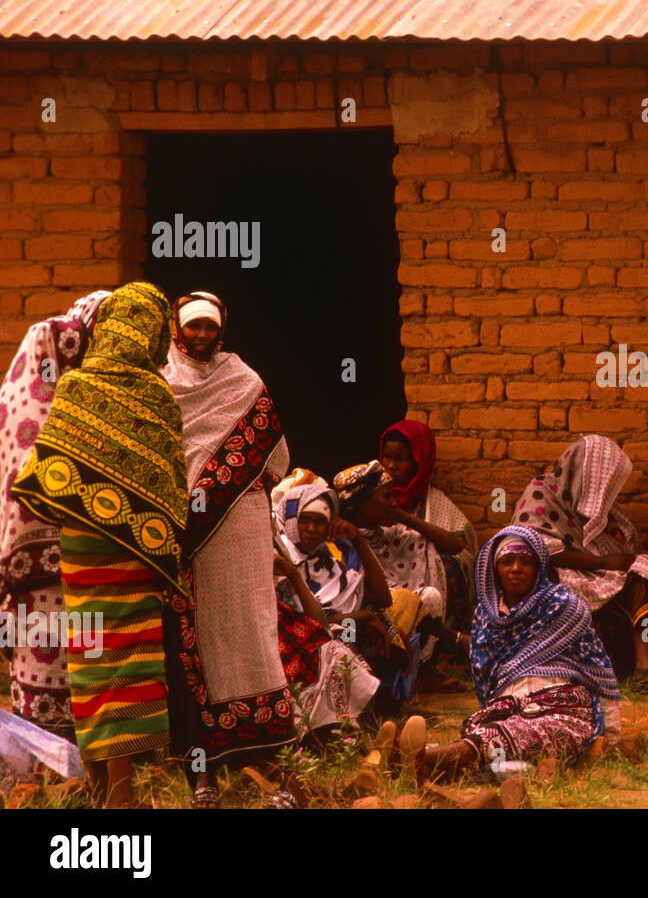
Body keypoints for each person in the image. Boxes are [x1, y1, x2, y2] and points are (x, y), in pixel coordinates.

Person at [9, 282, 188, 807]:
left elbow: (45, 474)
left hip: (82, 552)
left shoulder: (77, 385)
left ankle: (105, 789)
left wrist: (83, 505)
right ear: (154, 334)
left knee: (89, 662)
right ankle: (123, 794)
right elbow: (170, 481)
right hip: (134, 555)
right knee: (130, 663)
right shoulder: (156, 395)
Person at [158, 291, 297, 807]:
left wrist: (233, 486)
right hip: (185, 535)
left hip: (238, 530)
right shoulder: (160, 383)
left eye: (209, 328)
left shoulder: (246, 382)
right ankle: (205, 771)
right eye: (192, 326)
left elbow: (278, 459)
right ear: (177, 328)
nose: (201, 336)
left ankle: (281, 763)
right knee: (200, 643)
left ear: (222, 330)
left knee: (254, 634)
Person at [404, 525, 621, 782]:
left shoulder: (565, 607)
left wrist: (613, 734)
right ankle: (435, 768)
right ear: (495, 569)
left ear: (539, 566)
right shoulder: (487, 618)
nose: (516, 568)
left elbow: (600, 669)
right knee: (480, 728)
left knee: (515, 734)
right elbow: (487, 676)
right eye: (507, 561)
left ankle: (417, 758)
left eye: (526, 561)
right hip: (505, 706)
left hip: (561, 706)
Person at [0, 289, 110, 741]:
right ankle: (42, 764)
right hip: (37, 577)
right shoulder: (24, 411)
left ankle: (97, 765)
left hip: (94, 568)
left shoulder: (106, 400)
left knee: (92, 661)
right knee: (39, 653)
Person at [511, 435, 648, 695]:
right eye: (606, 481)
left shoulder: (596, 503)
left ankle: (646, 670)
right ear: (589, 474)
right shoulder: (540, 493)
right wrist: (602, 561)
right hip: (559, 571)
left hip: (596, 571)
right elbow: (532, 545)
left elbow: (621, 539)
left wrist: (616, 541)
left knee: (641, 580)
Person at [270, 478, 382, 733]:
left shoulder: (328, 558)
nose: (311, 529)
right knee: (337, 646)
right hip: (286, 646)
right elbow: (315, 624)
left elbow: (383, 598)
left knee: (374, 626)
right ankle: (348, 728)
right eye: (304, 520)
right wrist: (295, 576)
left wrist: (358, 540)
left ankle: (354, 723)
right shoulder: (277, 556)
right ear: (289, 519)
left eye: (319, 522)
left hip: (325, 634)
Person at [331, 460, 440, 697]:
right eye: (387, 497)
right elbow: (357, 600)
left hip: (369, 616)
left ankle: (413, 673)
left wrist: (401, 515)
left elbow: (453, 544)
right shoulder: (335, 545)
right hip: (344, 623)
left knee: (414, 601)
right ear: (361, 504)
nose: (394, 502)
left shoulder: (380, 535)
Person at [378, 419, 476, 658]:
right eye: (386, 457)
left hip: (422, 583)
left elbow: (460, 548)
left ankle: (433, 654)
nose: (390, 466)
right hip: (380, 581)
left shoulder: (434, 501)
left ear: (419, 461)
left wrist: (403, 517)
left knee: (450, 566)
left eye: (400, 460)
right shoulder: (371, 495)